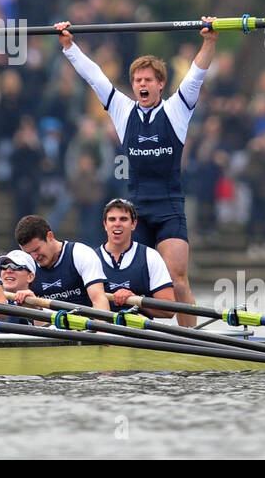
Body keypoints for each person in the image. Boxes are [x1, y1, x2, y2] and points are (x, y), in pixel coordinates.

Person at [55, 18, 217, 326]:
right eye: (137, 80)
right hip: (136, 211)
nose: (142, 85)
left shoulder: (177, 109)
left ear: (160, 84)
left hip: (169, 208)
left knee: (177, 279)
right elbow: (95, 77)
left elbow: (196, 75)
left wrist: (209, 42)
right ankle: (135, 337)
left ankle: (192, 343)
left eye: (148, 80)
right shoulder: (121, 109)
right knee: (129, 285)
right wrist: (69, 47)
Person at [95, 199, 177, 317]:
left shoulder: (150, 256)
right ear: (105, 225)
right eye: (112, 219)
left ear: (133, 224)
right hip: (102, 329)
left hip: (138, 328)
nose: (117, 223)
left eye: (123, 219)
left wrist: (135, 300)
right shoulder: (91, 258)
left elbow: (169, 310)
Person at [11, 215, 109, 310]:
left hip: (84, 325)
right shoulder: (25, 265)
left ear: (50, 236)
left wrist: (99, 326)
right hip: (44, 325)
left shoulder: (81, 254)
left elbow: (99, 300)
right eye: (28, 253)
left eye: (37, 249)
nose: (34, 257)